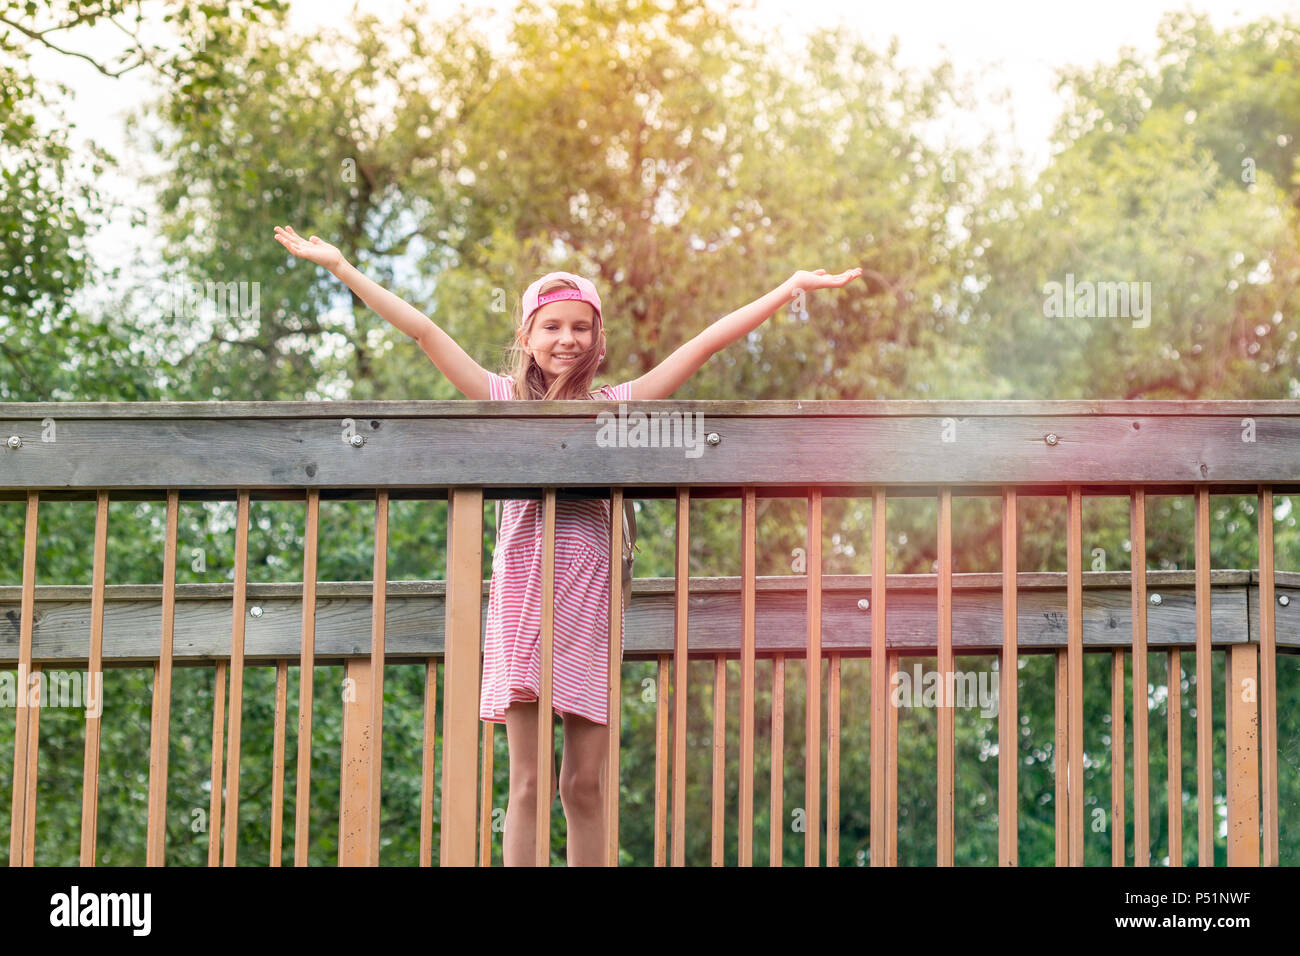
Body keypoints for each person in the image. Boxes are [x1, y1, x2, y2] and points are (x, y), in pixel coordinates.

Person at [272, 224, 861, 865]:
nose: (566, 339)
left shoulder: (617, 406)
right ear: (527, 336)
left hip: (590, 607)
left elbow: (705, 344)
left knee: (583, 783)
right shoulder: (504, 401)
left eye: (580, 327)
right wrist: (340, 267)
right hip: (523, 604)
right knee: (525, 782)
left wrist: (790, 286)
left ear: (596, 339)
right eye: (551, 326)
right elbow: (423, 332)